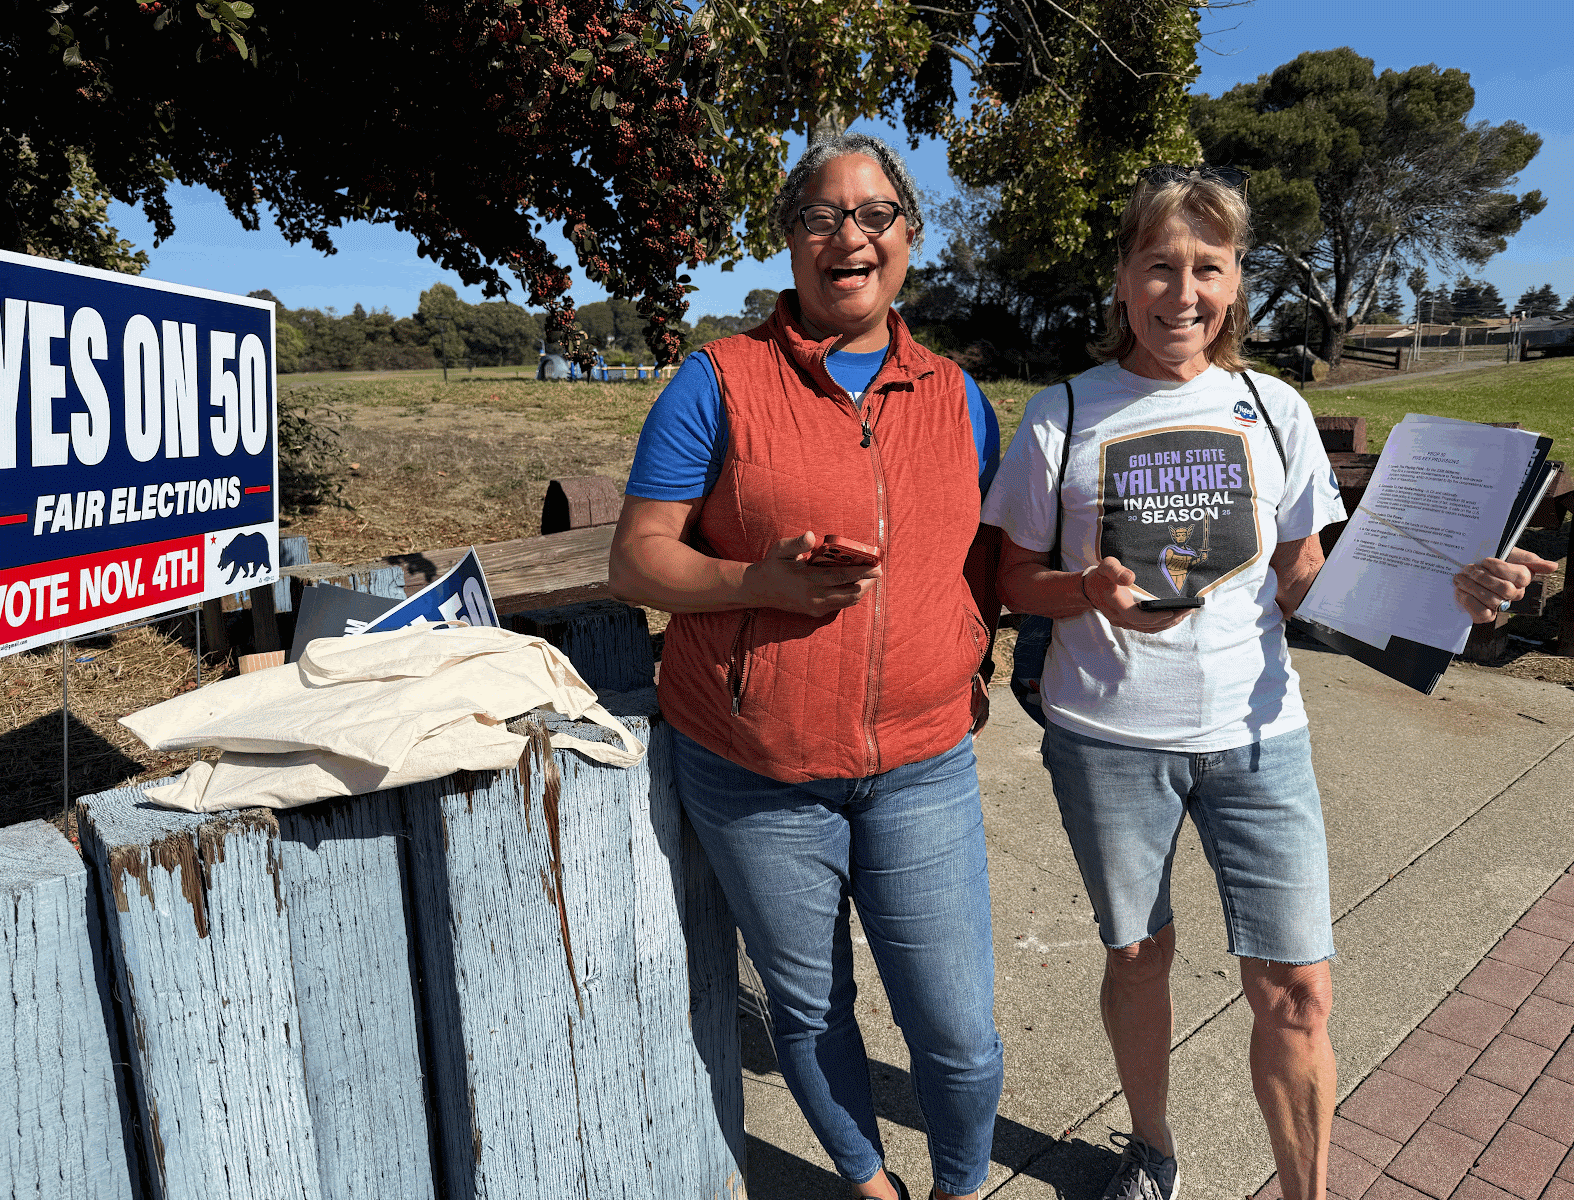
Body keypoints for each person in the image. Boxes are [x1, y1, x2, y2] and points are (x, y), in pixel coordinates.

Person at [980, 164, 1556, 1200]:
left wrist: (1451, 594)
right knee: (1138, 957)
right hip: (1107, 737)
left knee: (1296, 990)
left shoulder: (1272, 407)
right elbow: (1009, 575)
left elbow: (1310, 582)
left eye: (1207, 267)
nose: (1182, 293)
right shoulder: (1062, 415)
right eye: (1159, 265)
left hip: (1258, 735)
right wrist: (1086, 592)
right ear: (1122, 277)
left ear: (1237, 282)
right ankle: (1151, 1152)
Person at [609, 132, 1005, 1200]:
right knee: (811, 1010)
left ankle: (962, 1188)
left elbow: (989, 564)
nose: (850, 237)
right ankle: (871, 1188)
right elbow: (636, 556)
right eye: (822, 216)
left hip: (922, 763)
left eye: (874, 214)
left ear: (909, 240)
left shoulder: (961, 397)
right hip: (753, 770)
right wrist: (753, 585)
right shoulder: (718, 381)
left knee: (958, 1030)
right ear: (790, 242)